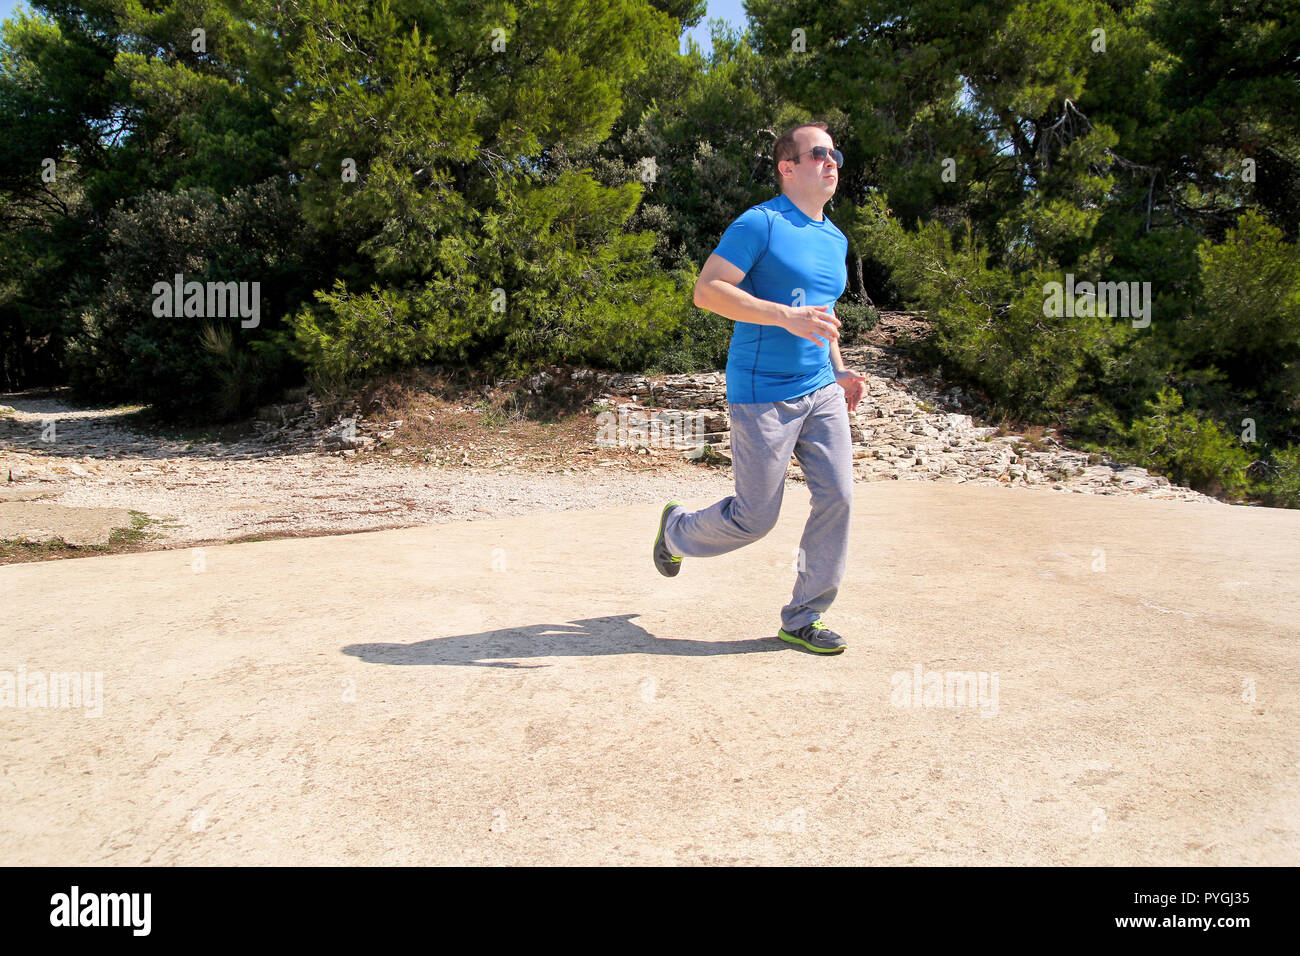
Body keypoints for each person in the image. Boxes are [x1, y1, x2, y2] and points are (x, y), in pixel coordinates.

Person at [653, 121, 868, 655]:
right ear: (787, 167)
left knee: (839, 497)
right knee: (754, 519)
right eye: (818, 153)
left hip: (820, 388)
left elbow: (823, 317)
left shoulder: (835, 239)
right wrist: (783, 316)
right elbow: (707, 290)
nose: (831, 161)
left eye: (835, 154)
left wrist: (839, 370)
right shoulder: (760, 223)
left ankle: (804, 617)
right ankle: (677, 531)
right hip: (762, 391)